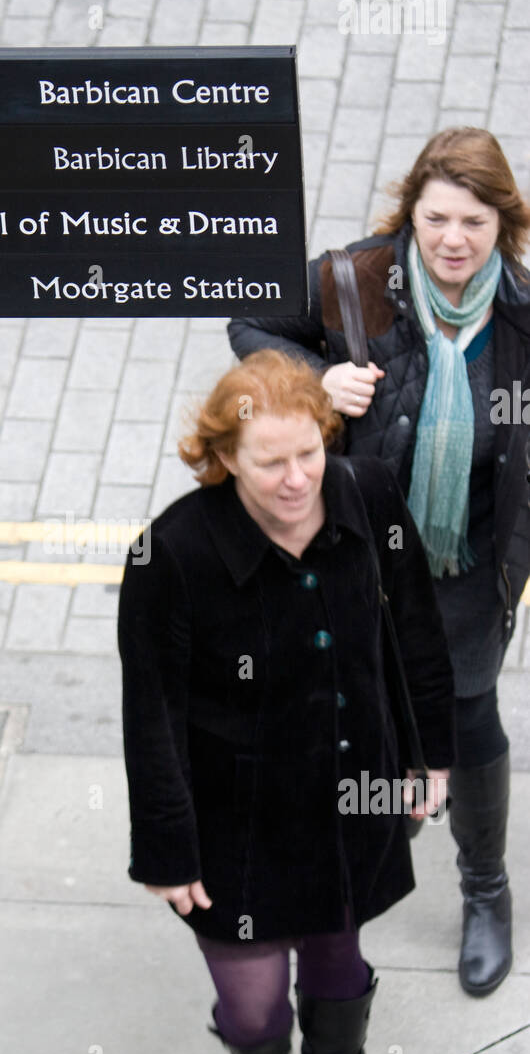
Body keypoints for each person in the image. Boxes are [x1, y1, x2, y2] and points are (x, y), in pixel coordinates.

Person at [117, 348, 454, 1054]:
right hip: (235, 823)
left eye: (309, 452)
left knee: (340, 970)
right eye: (271, 462)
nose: (299, 478)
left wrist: (430, 758)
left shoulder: (368, 491)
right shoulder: (171, 555)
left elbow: (412, 625)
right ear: (225, 458)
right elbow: (150, 713)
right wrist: (168, 847)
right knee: (255, 1005)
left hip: (350, 796)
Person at [227, 127, 530, 999]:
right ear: (412, 214)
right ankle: (373, 843)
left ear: (500, 225)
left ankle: (486, 889)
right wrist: (316, 379)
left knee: (469, 721)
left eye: (474, 221)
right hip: (363, 562)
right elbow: (248, 321)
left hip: (470, 570)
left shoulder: (518, 312)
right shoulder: (352, 280)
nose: (452, 241)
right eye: (436, 218)